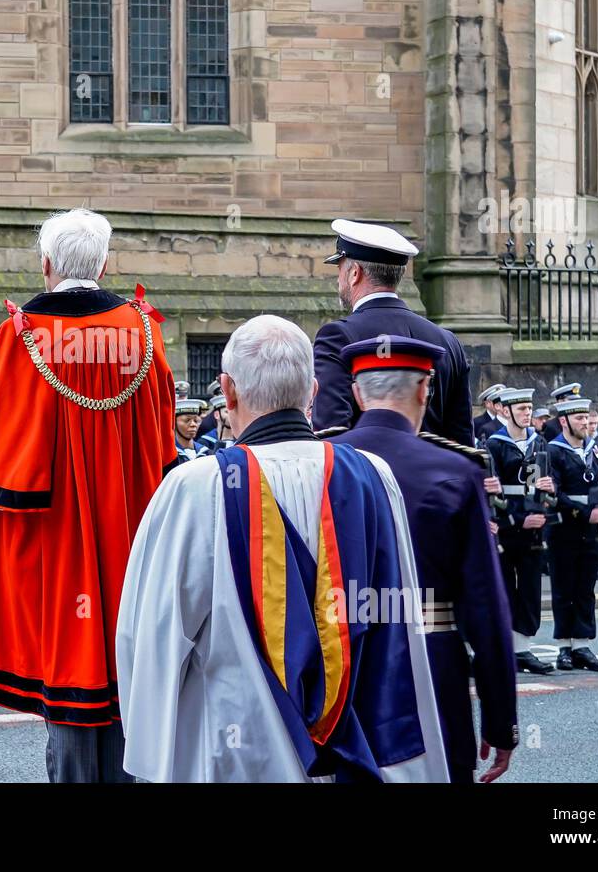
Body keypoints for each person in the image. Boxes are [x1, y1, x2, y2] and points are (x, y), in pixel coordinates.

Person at [116, 316, 448, 782]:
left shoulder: (196, 487)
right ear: (312, 392)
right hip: (353, 754)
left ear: (227, 393)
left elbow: (151, 638)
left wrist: (152, 756)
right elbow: (402, 631)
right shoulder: (372, 477)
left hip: (234, 757)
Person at [0, 207, 175, 782]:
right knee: (124, 643)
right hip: (129, 522)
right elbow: (161, 440)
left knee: (67, 649)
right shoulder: (144, 331)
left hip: (53, 527)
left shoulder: (21, 335)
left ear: (47, 265)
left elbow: (0, 434)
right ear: (106, 265)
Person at [332, 337, 517, 783]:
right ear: (424, 391)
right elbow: (484, 607)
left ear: (357, 394)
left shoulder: (324, 462)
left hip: (342, 657)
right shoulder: (456, 470)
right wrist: (500, 720)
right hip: (431, 665)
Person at [312, 219, 473, 444]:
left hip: (367, 478)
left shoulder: (336, 337)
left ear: (354, 273)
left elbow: (332, 434)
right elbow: (462, 442)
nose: (338, 279)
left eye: (340, 268)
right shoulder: (448, 341)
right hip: (436, 477)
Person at [486, 387, 557, 675]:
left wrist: (547, 496)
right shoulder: (493, 444)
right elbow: (492, 494)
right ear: (506, 411)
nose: (527, 413)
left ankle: (522, 649)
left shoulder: (537, 443)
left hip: (531, 529)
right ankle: (503, 648)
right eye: (521, 409)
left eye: (529, 409)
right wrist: (516, 520)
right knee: (503, 588)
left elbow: (533, 489)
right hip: (507, 529)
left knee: (529, 588)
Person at [545, 397, 598, 672]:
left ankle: (582, 644)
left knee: (585, 588)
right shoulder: (552, 450)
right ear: (563, 421)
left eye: (586, 418)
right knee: (564, 587)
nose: (585, 423)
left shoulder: (597, 449)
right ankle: (564, 644)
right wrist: (587, 512)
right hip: (564, 527)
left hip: (592, 529)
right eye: (578, 419)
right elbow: (553, 494)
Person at [173, 398, 207, 463]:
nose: (193, 424)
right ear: (174, 422)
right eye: (187, 420)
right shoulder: (169, 455)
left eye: (196, 420)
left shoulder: (205, 453)